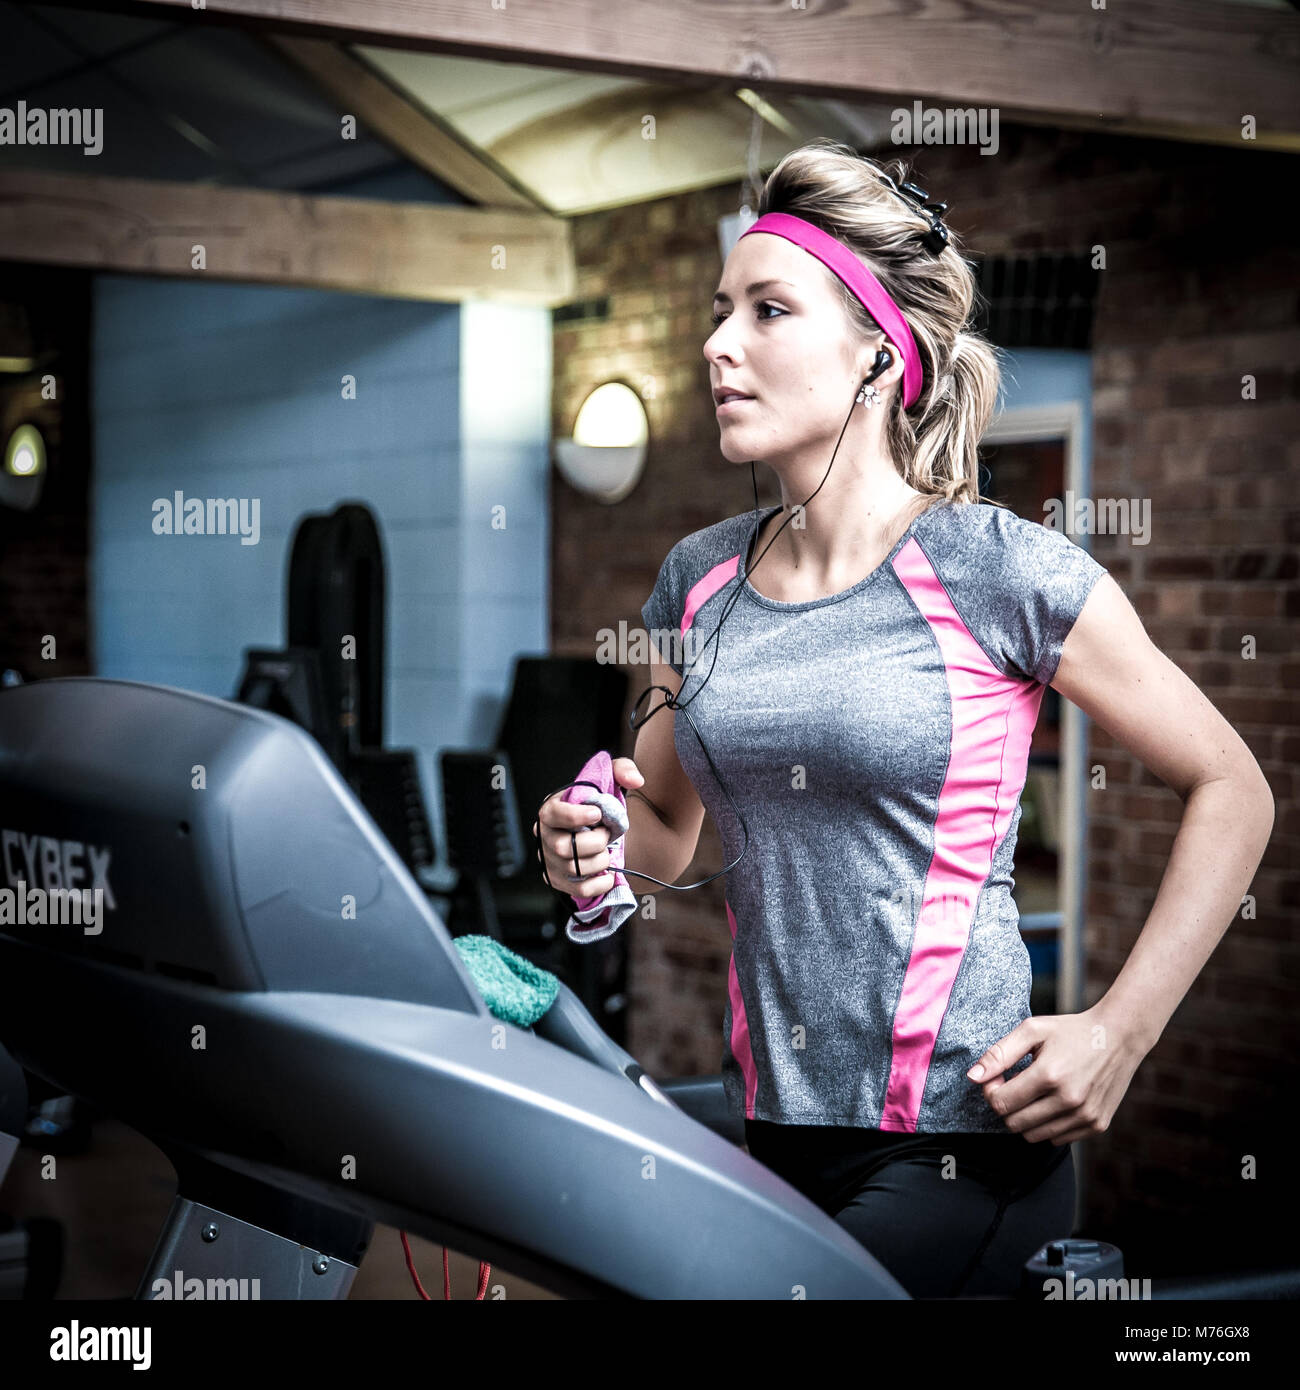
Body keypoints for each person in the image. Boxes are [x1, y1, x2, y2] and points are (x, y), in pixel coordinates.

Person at [533, 139, 1274, 1298]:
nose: (718, 345)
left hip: (960, 1144)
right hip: (773, 1121)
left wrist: (1120, 1030)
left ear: (878, 351)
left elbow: (1236, 786)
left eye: (767, 310)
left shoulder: (997, 570)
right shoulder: (698, 578)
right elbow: (665, 831)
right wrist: (589, 838)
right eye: (720, 310)